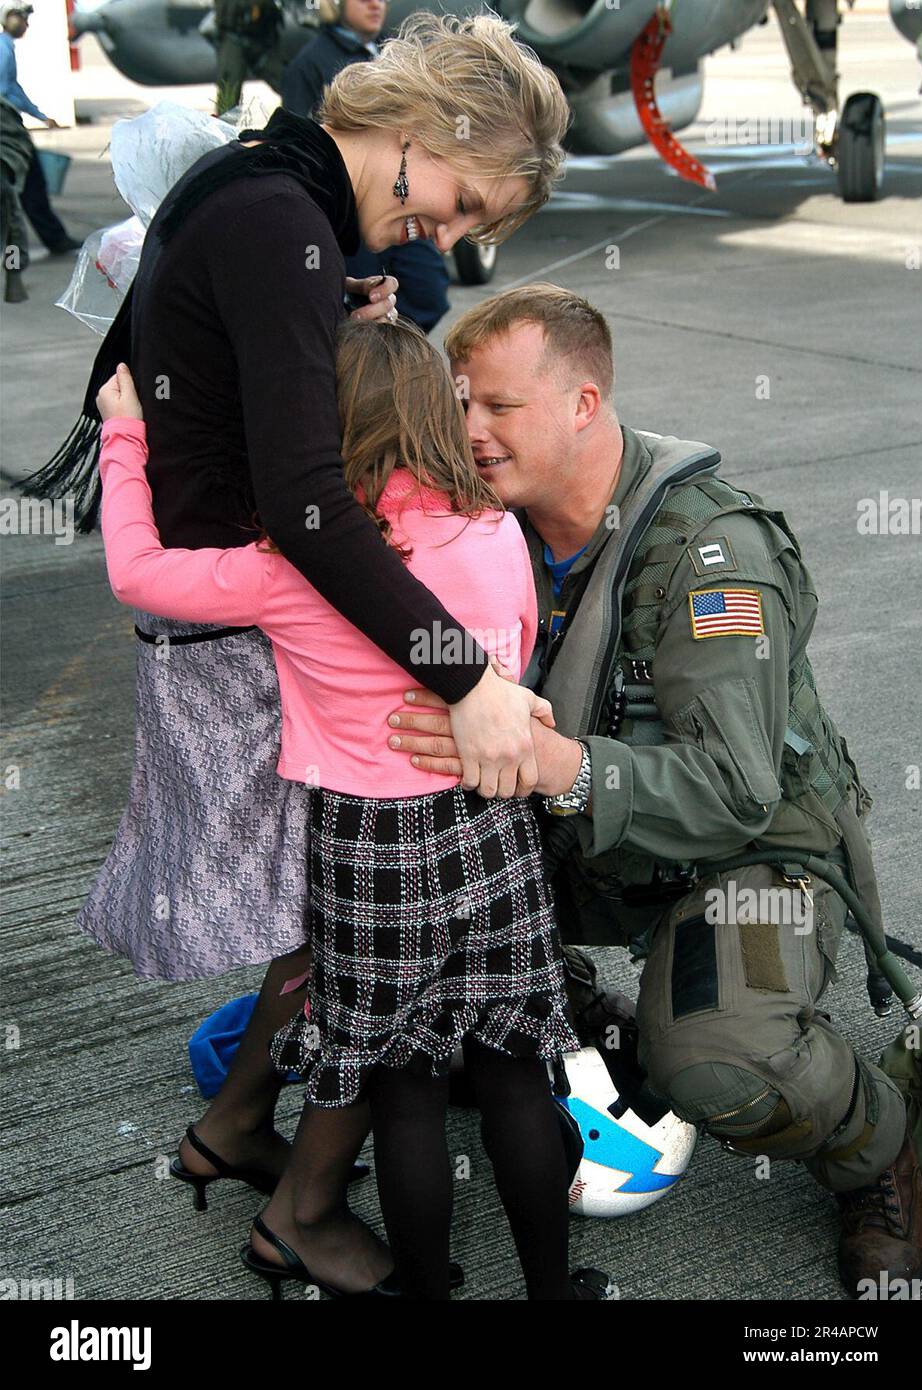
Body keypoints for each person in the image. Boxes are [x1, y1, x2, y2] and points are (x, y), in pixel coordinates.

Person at [24, 12, 570, 1294]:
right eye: (454, 205)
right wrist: (467, 677)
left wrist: (326, 309)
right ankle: (306, 1210)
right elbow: (314, 504)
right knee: (341, 936)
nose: (447, 238)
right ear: (425, 133)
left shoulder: (271, 189)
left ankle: (232, 1130)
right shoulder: (286, 221)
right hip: (238, 617)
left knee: (323, 930)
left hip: (218, 597)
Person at [386, 283, 922, 1298]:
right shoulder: (488, 529)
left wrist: (556, 766)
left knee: (722, 1059)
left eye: (496, 405)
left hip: (752, 852)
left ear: (583, 403)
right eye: (458, 402)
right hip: (599, 831)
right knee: (399, 962)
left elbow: (731, 788)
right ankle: (581, 1002)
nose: (467, 430)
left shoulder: (712, 560)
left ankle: (880, 1154)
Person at [93, 332, 611, 1301]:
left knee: (402, 1087)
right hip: (493, 816)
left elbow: (138, 574)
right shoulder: (497, 527)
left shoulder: (290, 567)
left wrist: (126, 439)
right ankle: (550, 1289)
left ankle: (421, 1290)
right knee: (512, 1068)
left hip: (371, 844)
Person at [282, 0, 451, 332]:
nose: (376, 4)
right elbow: (301, 145)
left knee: (428, 289)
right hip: (350, 215)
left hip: (402, 202)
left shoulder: (395, 56)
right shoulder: (309, 65)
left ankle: (388, 353)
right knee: (364, 304)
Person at [0, 1, 80, 271]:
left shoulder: (5, 47)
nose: (26, 24)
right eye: (22, 18)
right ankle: (54, 239)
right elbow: (7, 91)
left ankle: (53, 238)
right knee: (31, 183)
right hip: (6, 130)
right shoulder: (3, 49)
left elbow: (13, 88)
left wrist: (39, 115)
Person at [212, 0, 286, 116]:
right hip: (233, 35)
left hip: (262, 37)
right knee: (227, 100)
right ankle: (224, 131)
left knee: (288, 82)